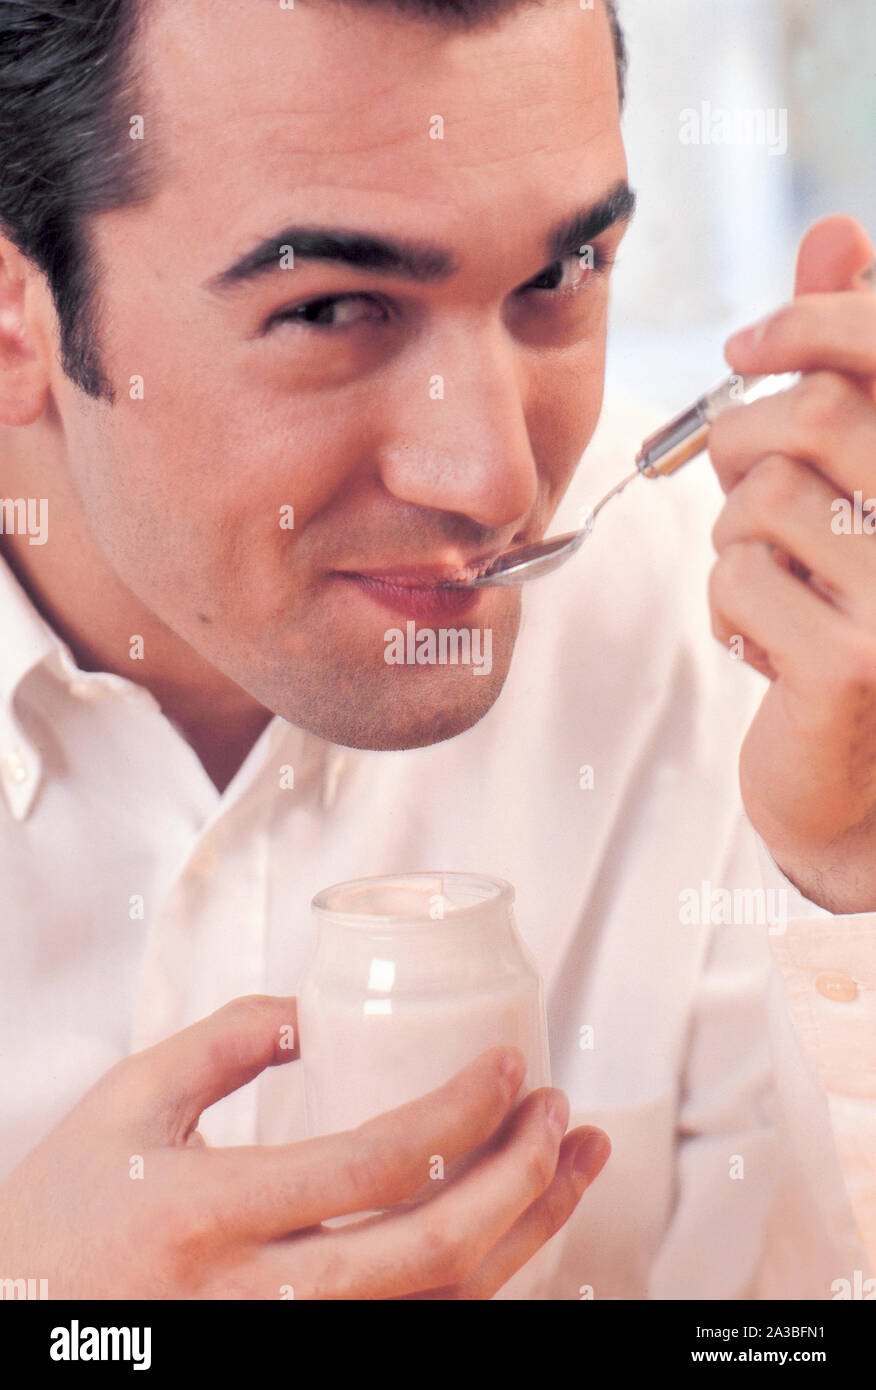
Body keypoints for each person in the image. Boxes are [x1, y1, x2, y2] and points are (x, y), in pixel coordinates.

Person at [0, 0, 873, 1299]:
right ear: (19, 315)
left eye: (558, 279)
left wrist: (848, 873)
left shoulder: (762, 653)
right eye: (337, 307)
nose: (495, 476)